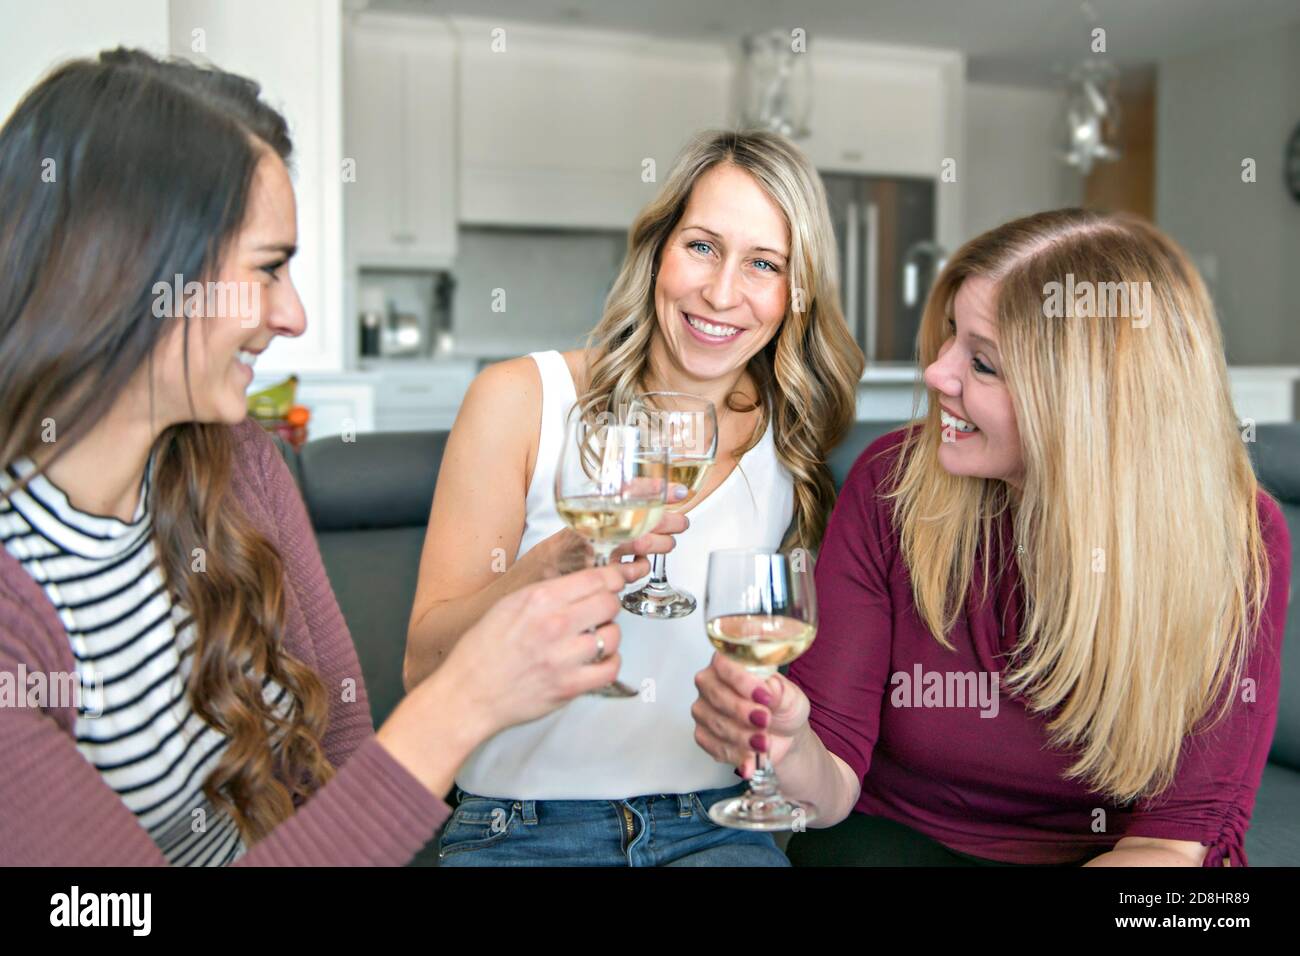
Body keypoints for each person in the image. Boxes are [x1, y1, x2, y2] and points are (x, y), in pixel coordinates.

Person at [0, 48, 648, 866]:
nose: (296, 315)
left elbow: (335, 744)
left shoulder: (236, 462)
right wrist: (465, 701)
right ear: (133, 268)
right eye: (268, 268)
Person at [691, 208, 1291, 867]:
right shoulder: (889, 485)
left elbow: (1172, 845)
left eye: (982, 363)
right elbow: (829, 780)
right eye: (951, 337)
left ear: (1083, 403)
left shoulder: (1235, 539)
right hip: (897, 847)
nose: (937, 375)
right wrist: (789, 745)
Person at [404, 128, 864, 865]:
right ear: (658, 248)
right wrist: (548, 570)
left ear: (796, 291)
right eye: (703, 246)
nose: (720, 293)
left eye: (764, 264)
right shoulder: (523, 399)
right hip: (521, 827)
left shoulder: (793, 445)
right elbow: (422, 668)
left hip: (715, 827)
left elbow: (809, 724)